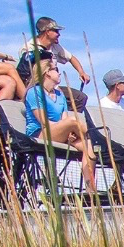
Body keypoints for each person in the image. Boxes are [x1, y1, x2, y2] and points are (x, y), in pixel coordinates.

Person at [24, 59, 96, 192]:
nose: (59, 73)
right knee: (74, 121)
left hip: (60, 132)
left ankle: (91, 191)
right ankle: (96, 136)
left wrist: (69, 133)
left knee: (89, 148)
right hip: (40, 133)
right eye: (56, 70)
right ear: (47, 73)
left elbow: (64, 118)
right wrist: (66, 127)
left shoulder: (60, 95)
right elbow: (45, 122)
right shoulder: (34, 92)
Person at [18, 16, 89, 109]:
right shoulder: (29, 48)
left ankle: (68, 121)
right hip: (36, 87)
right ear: (47, 32)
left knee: (80, 98)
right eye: (56, 31)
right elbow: (29, 74)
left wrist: (81, 72)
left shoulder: (55, 46)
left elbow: (71, 58)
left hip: (53, 85)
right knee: (63, 99)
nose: (59, 34)